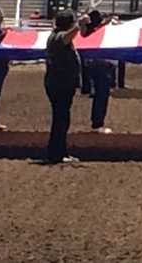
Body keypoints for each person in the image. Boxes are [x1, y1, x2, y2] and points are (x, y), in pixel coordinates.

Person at [44, 10, 81, 164]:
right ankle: (57, 153)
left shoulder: (54, 36)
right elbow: (65, 38)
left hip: (58, 82)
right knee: (61, 119)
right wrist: (78, 26)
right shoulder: (58, 37)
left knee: (61, 118)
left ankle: (59, 150)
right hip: (60, 83)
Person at [82, 10, 115, 134]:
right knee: (102, 94)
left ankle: (97, 121)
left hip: (92, 65)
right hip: (101, 65)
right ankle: (97, 123)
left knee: (99, 93)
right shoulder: (97, 32)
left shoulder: (86, 32)